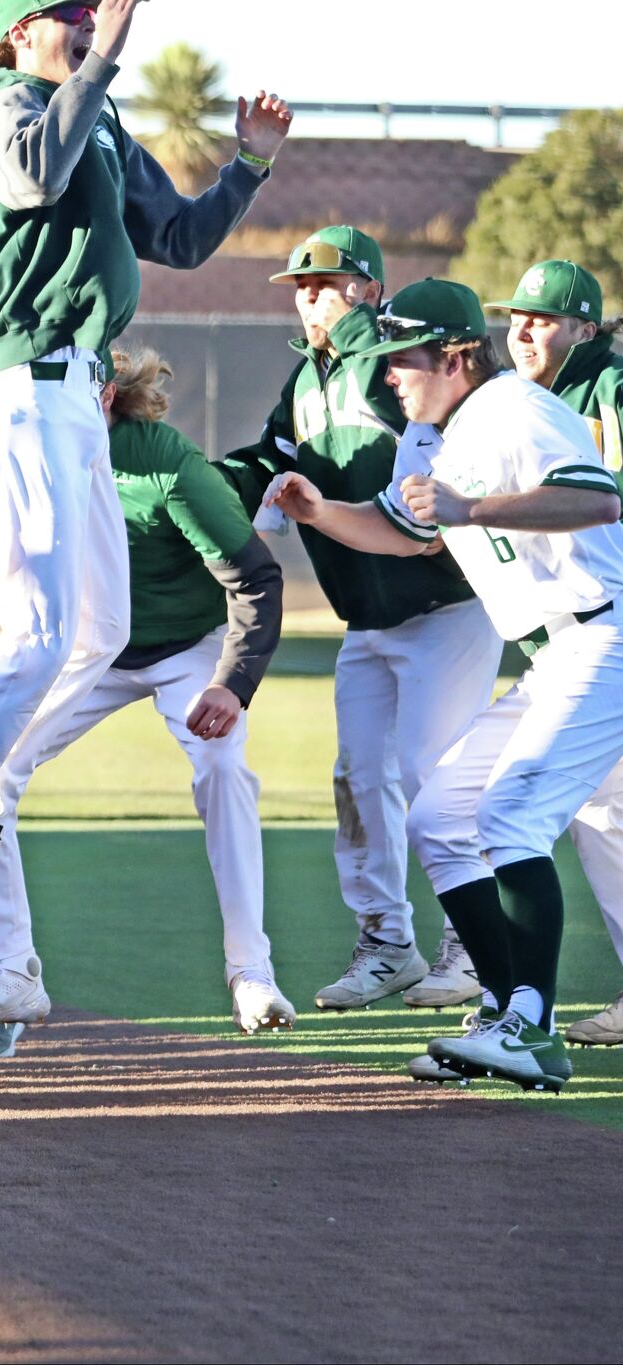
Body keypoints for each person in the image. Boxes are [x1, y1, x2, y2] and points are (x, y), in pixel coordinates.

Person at [0, 0, 290, 932]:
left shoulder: (101, 116)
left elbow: (180, 239)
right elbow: (35, 180)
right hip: (28, 384)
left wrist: (246, 164)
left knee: (100, 625)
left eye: (96, 14)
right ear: (20, 31)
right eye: (69, 14)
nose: (90, 23)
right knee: (41, 630)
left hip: (80, 393)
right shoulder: (0, 101)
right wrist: (105, 65)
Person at [268, 279, 623, 1093]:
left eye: (404, 358)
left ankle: (530, 1029)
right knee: (439, 814)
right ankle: (504, 1008)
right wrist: (319, 510)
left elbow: (599, 498)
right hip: (559, 653)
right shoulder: (434, 434)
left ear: (458, 354)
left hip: (605, 632)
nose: (389, 374)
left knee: (511, 816)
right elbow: (402, 534)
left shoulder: (512, 409)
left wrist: (472, 507)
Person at [0, 348, 292, 1033]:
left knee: (223, 767)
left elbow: (256, 577)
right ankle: (7, 970)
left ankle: (252, 972)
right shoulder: (29, 438)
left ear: (100, 400)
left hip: (186, 649)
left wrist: (232, 683)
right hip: (88, 650)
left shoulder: (165, 463)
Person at [224, 226, 497, 1015]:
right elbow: (270, 459)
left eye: (325, 283)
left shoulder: (387, 366)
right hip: (367, 618)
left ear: (369, 291)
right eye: (299, 286)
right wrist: (201, 480)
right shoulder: (308, 378)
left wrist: (358, 337)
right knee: (357, 779)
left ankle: (470, 945)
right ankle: (387, 942)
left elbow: (431, 413)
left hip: (446, 606)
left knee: (429, 778)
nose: (308, 295)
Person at [483, 259, 623, 1047]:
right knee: (603, 817)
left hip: (614, 626)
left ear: (587, 331)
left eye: (547, 317)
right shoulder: (527, 402)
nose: (526, 327)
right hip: (583, 635)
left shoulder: (611, 389)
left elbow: (605, 494)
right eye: (519, 316)